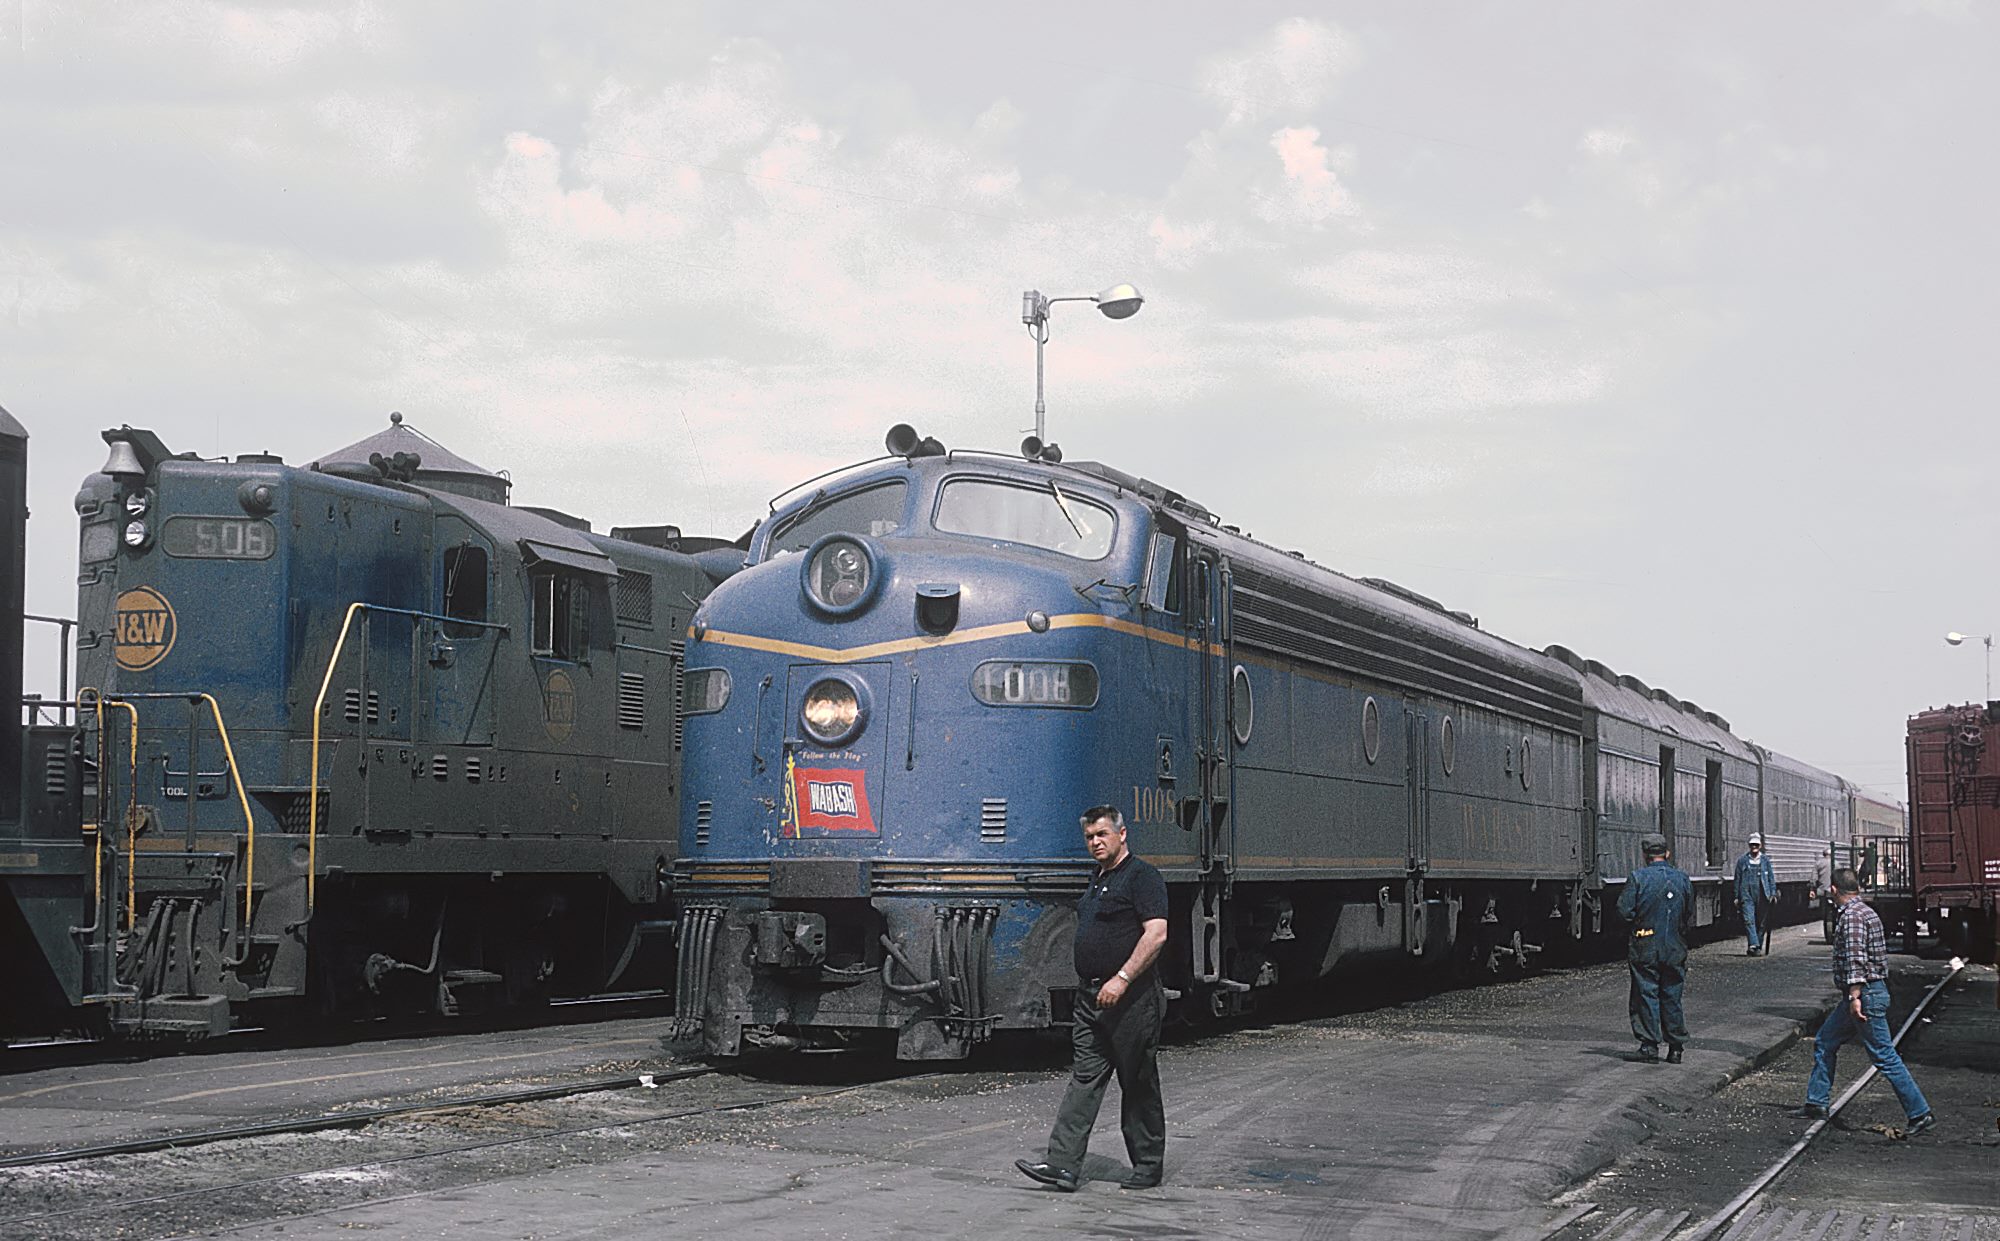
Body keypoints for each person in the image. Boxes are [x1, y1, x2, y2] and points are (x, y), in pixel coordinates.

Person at [1016, 805, 1170, 1192]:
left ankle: (1148, 1166)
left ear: (1122, 834)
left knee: (1137, 1082)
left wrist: (1121, 978)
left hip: (1130, 1000)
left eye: (1102, 834)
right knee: (1083, 1080)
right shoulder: (1097, 878)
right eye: (1089, 837)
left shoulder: (1142, 877)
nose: (1095, 842)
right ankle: (1063, 1165)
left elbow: (1156, 935)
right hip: (1091, 999)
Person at [1792, 868, 1935, 1135]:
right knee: (1826, 1041)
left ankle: (1920, 1112)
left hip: (1864, 994)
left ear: (1834, 890)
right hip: (1865, 993)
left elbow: (1856, 958)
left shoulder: (1853, 917)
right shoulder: (1867, 911)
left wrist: (1855, 997)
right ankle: (1816, 1102)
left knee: (1884, 1055)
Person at [1617, 833, 1692, 1063]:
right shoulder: (1682, 879)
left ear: (1645, 855)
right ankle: (1676, 1048)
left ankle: (1650, 1046)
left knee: (1646, 992)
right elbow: (1688, 914)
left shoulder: (1637, 878)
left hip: (1645, 944)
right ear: (1667, 853)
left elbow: (1624, 911)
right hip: (1674, 946)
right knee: (1672, 994)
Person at [1734, 834, 1778, 956]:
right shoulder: (1742, 861)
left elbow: (1770, 878)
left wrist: (1773, 893)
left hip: (1763, 894)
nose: (1754, 847)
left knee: (1762, 922)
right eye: (1752, 845)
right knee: (1749, 920)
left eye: (1756, 845)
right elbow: (1737, 879)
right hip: (1746, 893)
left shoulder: (1765, 861)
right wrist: (1736, 896)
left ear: (1760, 846)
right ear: (1749, 846)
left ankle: (1756, 945)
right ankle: (1754, 944)